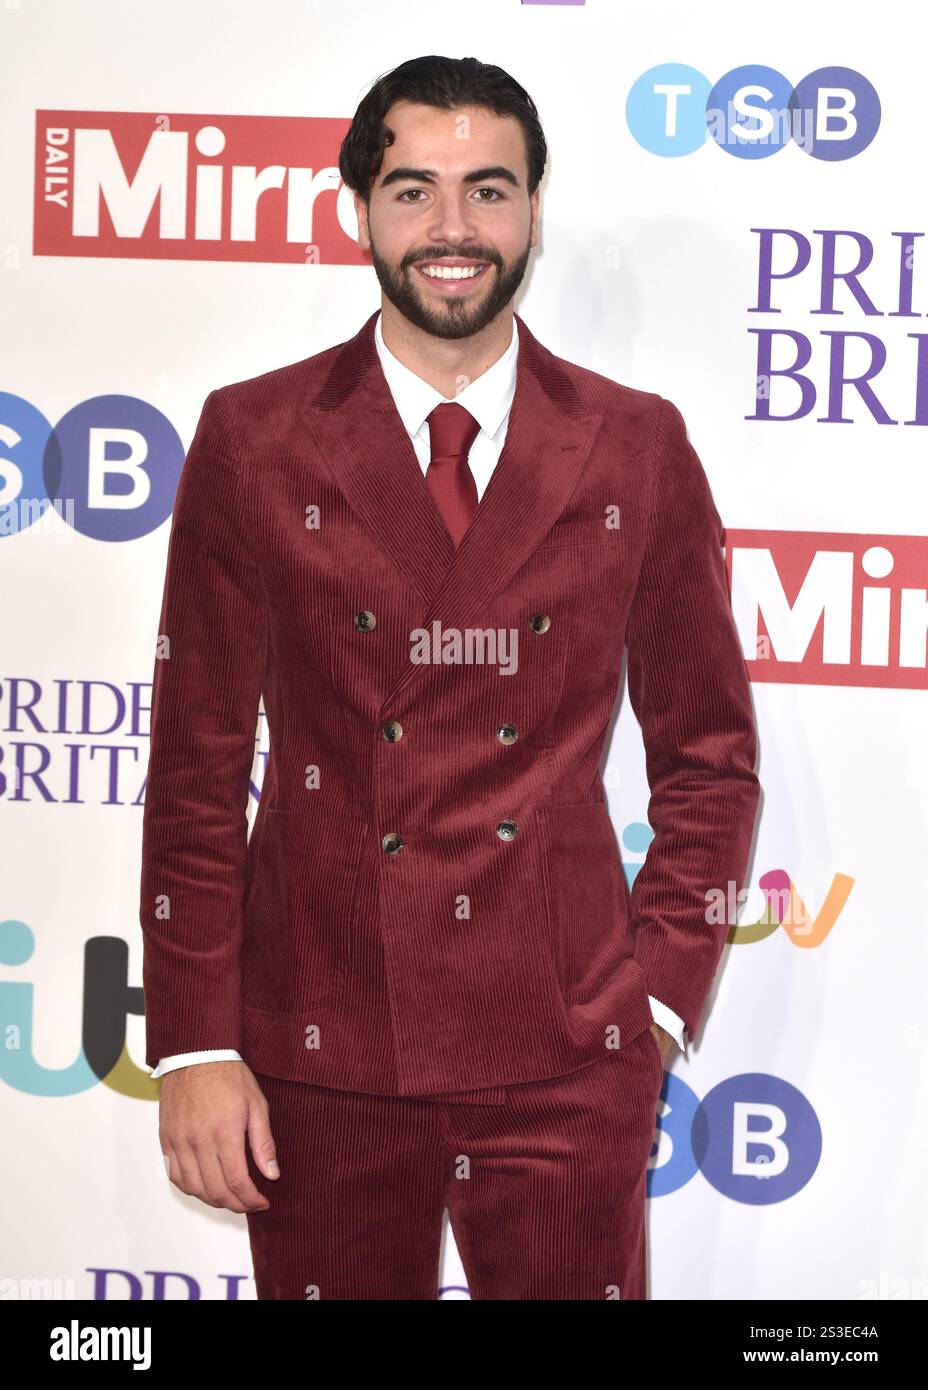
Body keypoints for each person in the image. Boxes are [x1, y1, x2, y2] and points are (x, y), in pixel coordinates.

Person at [139, 54, 760, 1300]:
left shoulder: (635, 446)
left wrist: (656, 1008)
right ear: (358, 209)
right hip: (317, 1054)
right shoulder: (254, 437)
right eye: (414, 190)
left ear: (533, 211)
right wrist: (197, 1041)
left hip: (565, 1051)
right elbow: (198, 769)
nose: (452, 228)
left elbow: (710, 757)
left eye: (488, 190)